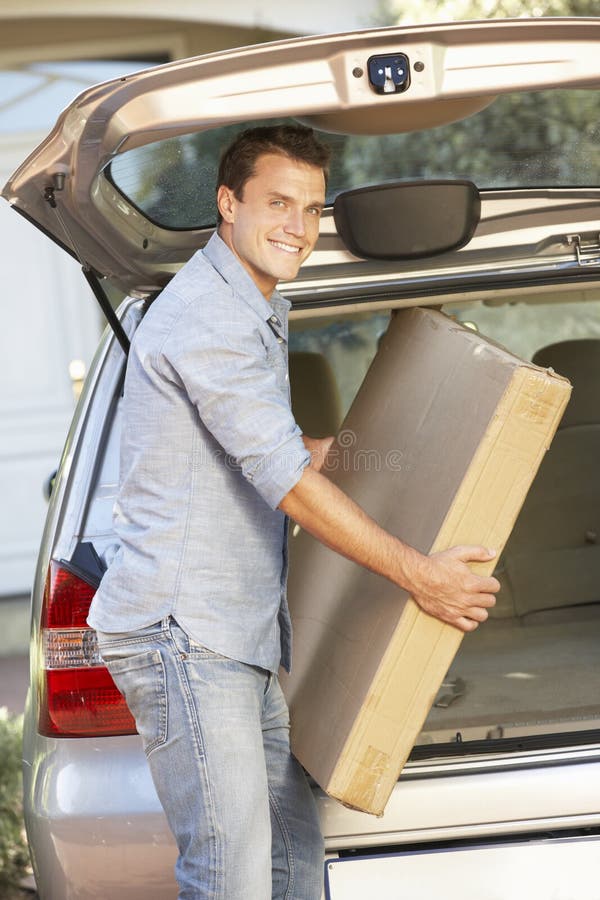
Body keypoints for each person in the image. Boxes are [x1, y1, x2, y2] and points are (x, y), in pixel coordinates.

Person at [88, 124, 499, 900]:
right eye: (278, 203)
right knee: (232, 880)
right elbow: (286, 481)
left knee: (291, 867)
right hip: (186, 637)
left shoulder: (254, 305)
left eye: (312, 210)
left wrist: (401, 447)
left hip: (236, 635)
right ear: (227, 202)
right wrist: (422, 576)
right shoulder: (208, 318)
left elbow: (274, 449)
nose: (298, 229)